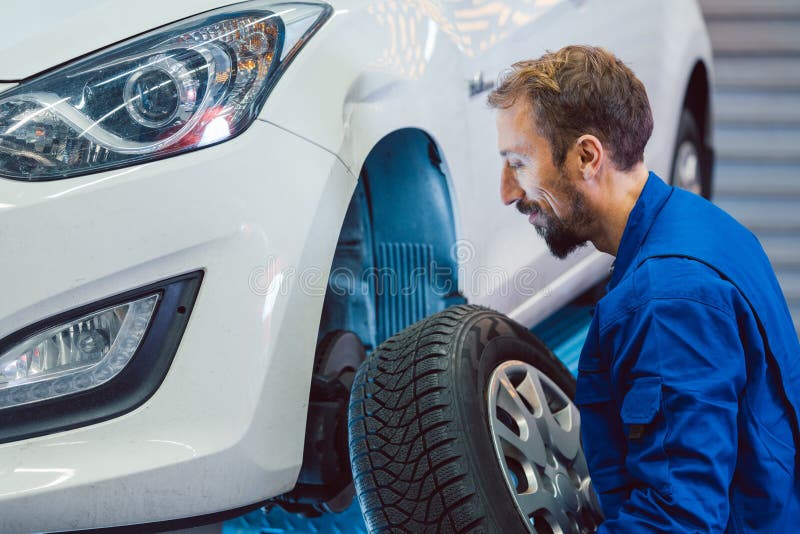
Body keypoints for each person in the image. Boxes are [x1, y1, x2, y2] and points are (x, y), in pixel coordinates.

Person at [488, 45, 800, 532]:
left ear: (587, 156)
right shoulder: (698, 222)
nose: (508, 191)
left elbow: (679, 520)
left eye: (519, 163)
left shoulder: (665, 302)